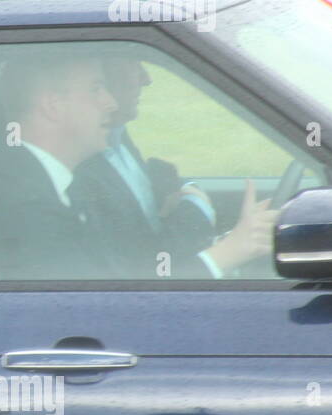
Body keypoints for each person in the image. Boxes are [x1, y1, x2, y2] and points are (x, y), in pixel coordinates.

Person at [74, 55, 276, 278]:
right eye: (133, 63)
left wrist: (226, 243)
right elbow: (140, 275)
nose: (146, 79)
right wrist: (198, 206)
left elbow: (148, 245)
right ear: (105, 75)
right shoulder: (79, 161)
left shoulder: (116, 136)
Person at [0, 52, 120, 279]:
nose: (112, 103)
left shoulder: (44, 185)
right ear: (54, 106)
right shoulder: (20, 210)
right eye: (96, 89)